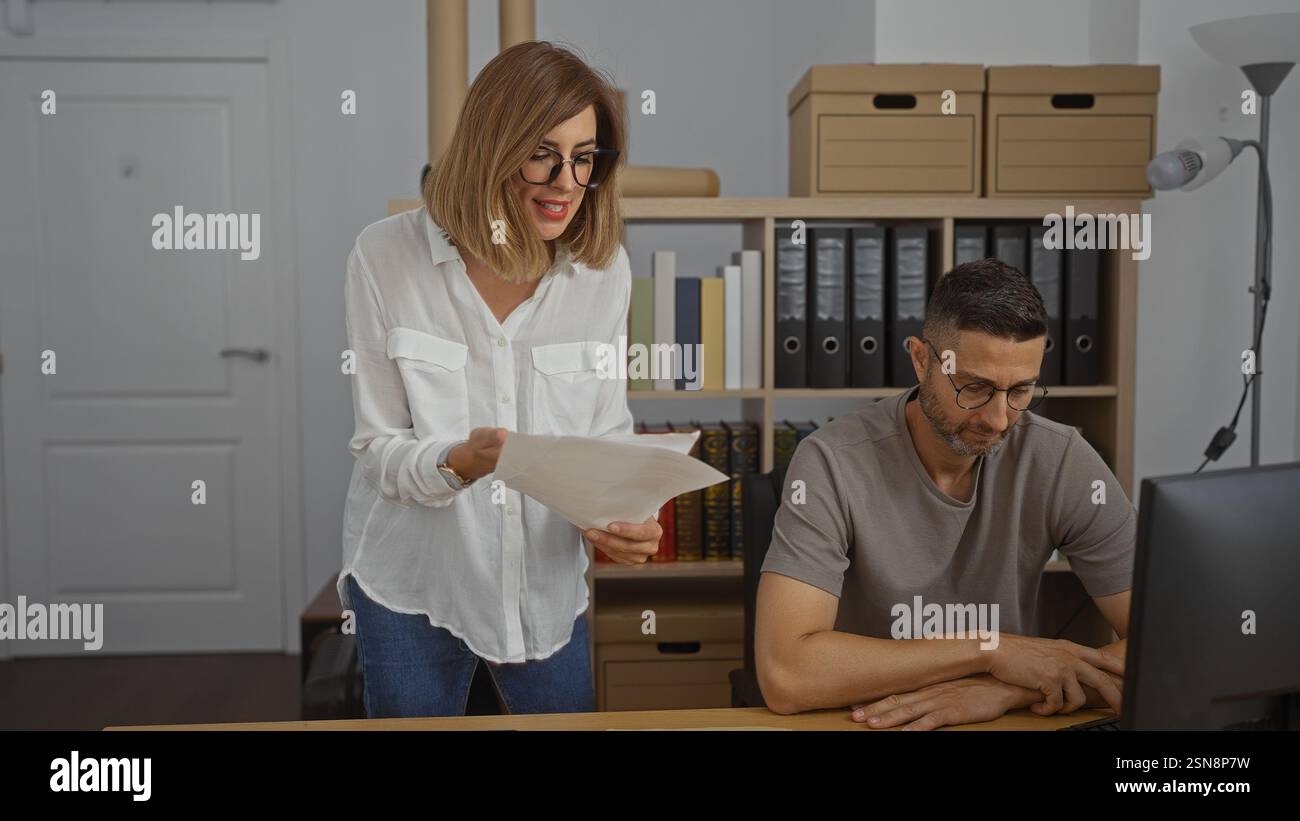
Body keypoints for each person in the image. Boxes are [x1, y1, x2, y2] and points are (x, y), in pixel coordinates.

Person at [338, 41, 662, 718]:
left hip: (543, 591)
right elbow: (378, 451)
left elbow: (604, 430)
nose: (567, 182)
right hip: (411, 589)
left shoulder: (603, 273)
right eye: (543, 152)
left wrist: (619, 516)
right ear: (492, 145)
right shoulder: (383, 257)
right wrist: (463, 461)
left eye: (584, 157)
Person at [756, 258, 1134, 729]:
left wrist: (1003, 689)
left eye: (1021, 391)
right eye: (974, 388)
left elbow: (1168, 637)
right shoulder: (831, 460)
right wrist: (991, 650)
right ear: (921, 359)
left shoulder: (1061, 459)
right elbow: (787, 675)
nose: (998, 419)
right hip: (866, 721)